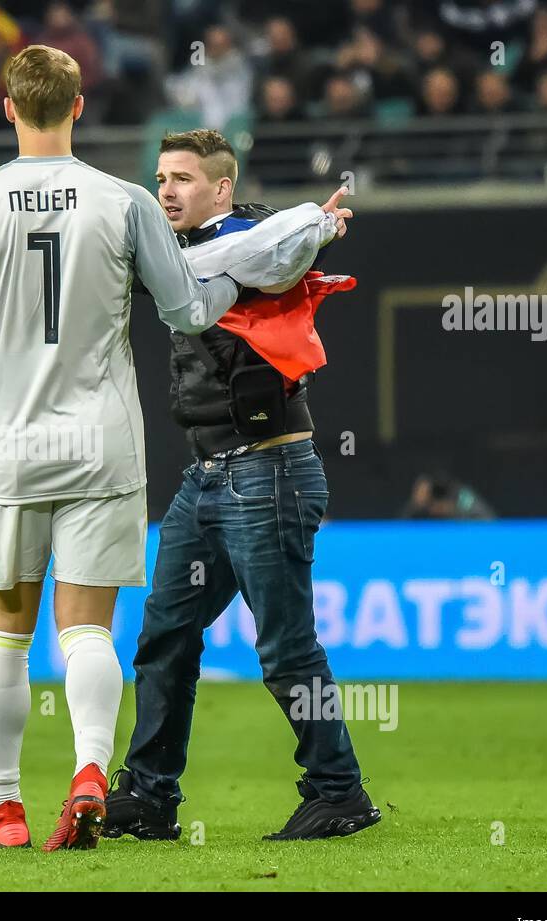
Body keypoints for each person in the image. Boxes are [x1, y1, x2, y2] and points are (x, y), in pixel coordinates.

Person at [0, 45, 347, 851]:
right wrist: (255, 271)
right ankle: (96, 773)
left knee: (5, 631)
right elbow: (186, 310)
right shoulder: (126, 200)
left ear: (5, 108)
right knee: (91, 631)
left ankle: (5, 813)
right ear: (77, 108)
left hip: (8, 444)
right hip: (103, 443)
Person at [103, 129, 381, 842]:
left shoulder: (259, 242)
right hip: (206, 477)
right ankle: (151, 795)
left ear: (222, 189)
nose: (167, 189)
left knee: (287, 647)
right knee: (164, 634)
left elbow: (280, 244)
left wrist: (314, 224)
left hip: (269, 469)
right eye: (161, 177)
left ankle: (339, 789)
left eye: (185, 179)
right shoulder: (184, 255)